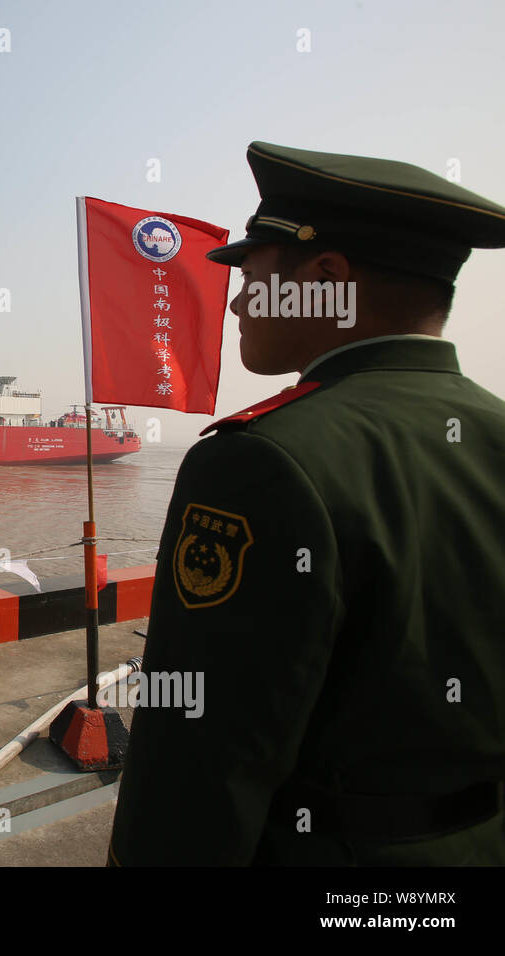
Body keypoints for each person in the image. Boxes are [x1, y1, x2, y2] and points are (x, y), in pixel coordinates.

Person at [107, 141, 505, 865]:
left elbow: (197, 756)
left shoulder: (260, 460)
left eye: (251, 273)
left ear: (324, 279)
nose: (235, 301)